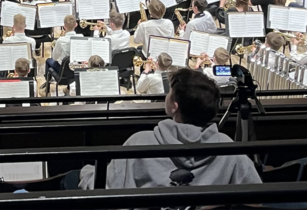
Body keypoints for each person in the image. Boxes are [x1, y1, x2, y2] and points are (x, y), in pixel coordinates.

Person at [80, 68, 261, 188]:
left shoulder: (140, 141)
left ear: (174, 106)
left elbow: (106, 188)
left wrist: (86, 172)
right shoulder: (228, 148)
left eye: (169, 92)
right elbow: (255, 197)